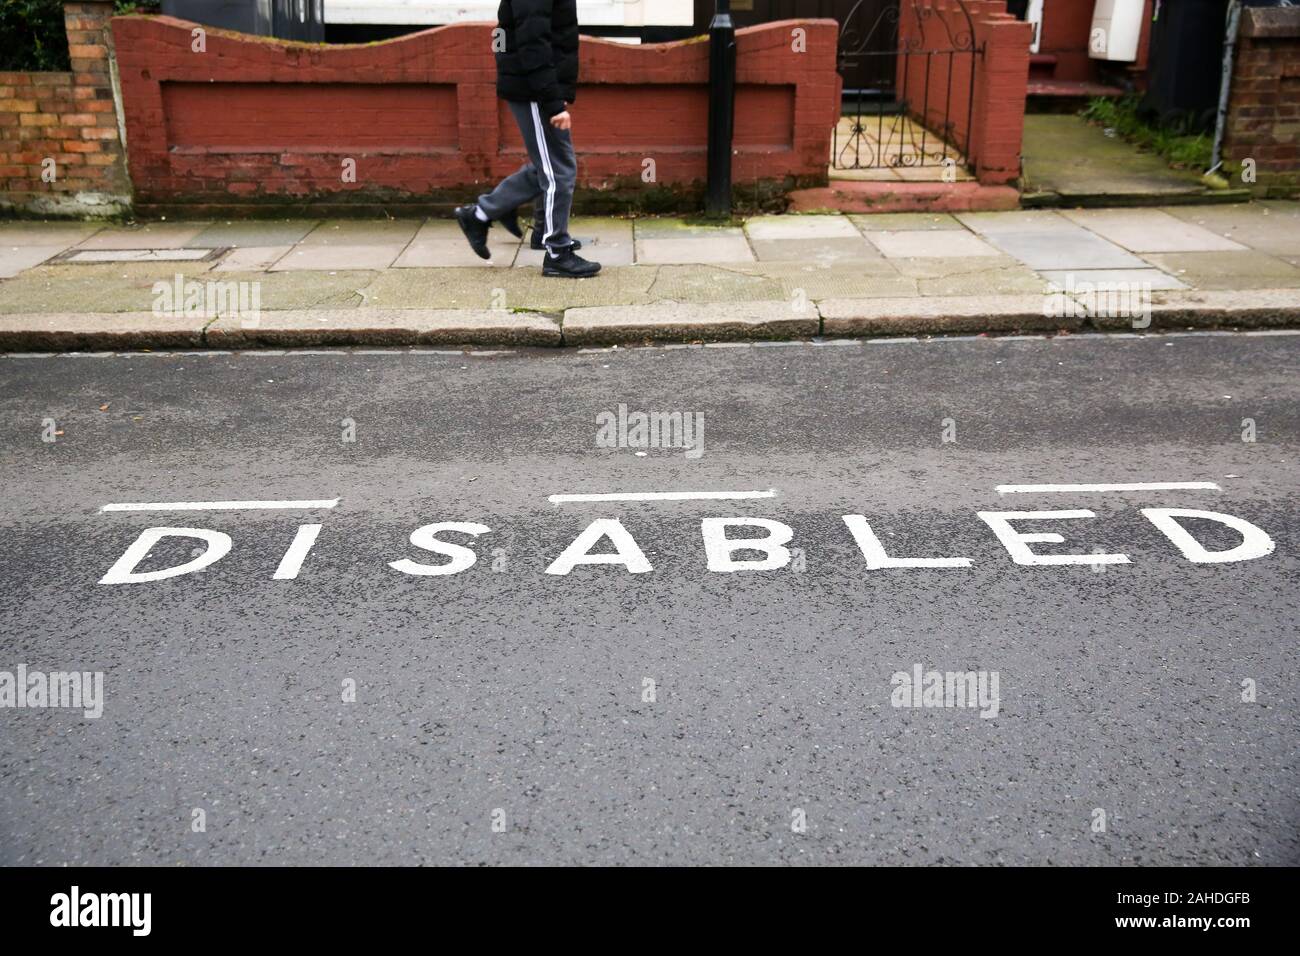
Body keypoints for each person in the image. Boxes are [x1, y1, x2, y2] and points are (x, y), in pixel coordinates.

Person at [455, 0, 600, 278]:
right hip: (534, 89)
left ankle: (483, 215)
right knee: (559, 170)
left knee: (546, 166)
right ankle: (557, 251)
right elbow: (533, 42)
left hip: (537, 86)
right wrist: (553, 102)